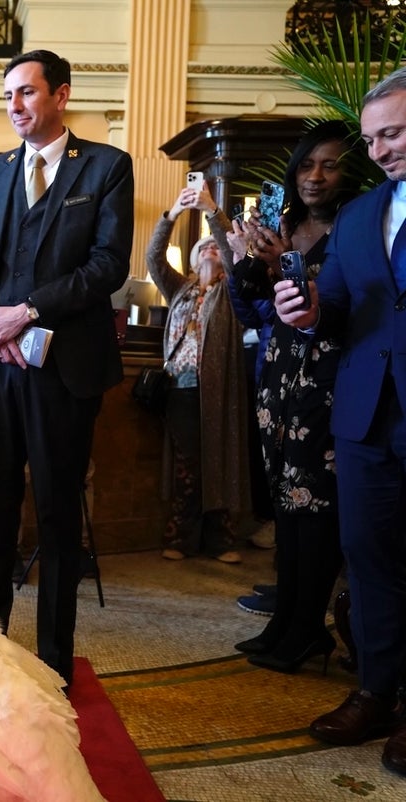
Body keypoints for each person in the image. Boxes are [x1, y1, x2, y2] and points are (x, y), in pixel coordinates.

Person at [0, 50, 134, 685]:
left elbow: (107, 266)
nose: (15, 106)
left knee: (57, 514)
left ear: (60, 94)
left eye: (26, 93)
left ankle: (54, 661)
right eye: (8, 96)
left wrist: (24, 312)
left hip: (65, 371)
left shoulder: (107, 167)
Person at [274, 68, 406, 776]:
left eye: (396, 132)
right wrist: (311, 313)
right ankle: (377, 691)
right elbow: (342, 311)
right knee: (371, 560)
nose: (382, 149)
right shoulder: (359, 216)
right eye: (375, 138)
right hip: (363, 417)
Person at [228, 121, 359, 674]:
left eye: (329, 165)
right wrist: (243, 259)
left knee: (316, 511)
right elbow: (250, 308)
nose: (315, 175)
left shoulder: (352, 228)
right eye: (307, 164)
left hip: (326, 381)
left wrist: (285, 261)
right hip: (277, 377)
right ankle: (285, 621)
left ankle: (308, 629)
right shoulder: (286, 222)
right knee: (284, 505)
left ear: (348, 173)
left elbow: (341, 306)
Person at [146, 183, 248, 565]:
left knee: (220, 460)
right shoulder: (180, 290)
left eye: (214, 247)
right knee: (188, 464)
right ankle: (182, 537)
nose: (208, 248)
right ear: (191, 263)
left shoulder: (234, 289)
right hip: (181, 389)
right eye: (201, 248)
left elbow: (235, 254)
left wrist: (210, 210)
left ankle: (221, 539)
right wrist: (171, 214)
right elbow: (154, 258)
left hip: (221, 389)